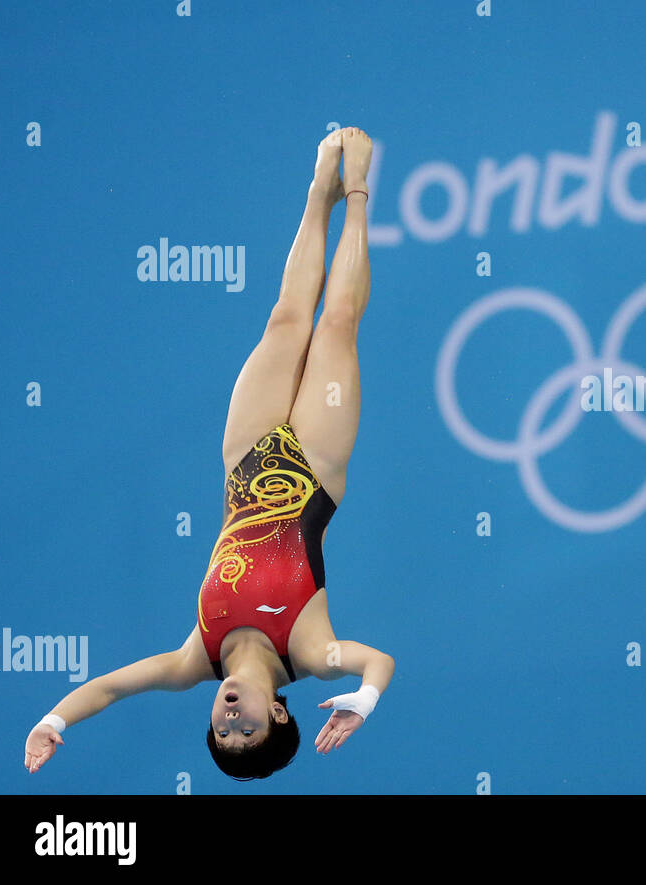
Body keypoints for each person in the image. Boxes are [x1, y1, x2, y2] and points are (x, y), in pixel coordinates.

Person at [24, 128, 395, 779]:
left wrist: (52, 720)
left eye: (221, 731)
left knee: (285, 317)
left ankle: (318, 191)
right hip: (313, 468)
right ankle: (358, 189)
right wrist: (362, 700)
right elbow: (378, 661)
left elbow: (109, 688)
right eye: (246, 727)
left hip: (246, 460)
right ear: (280, 714)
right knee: (335, 322)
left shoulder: (195, 656)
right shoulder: (309, 650)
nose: (229, 718)